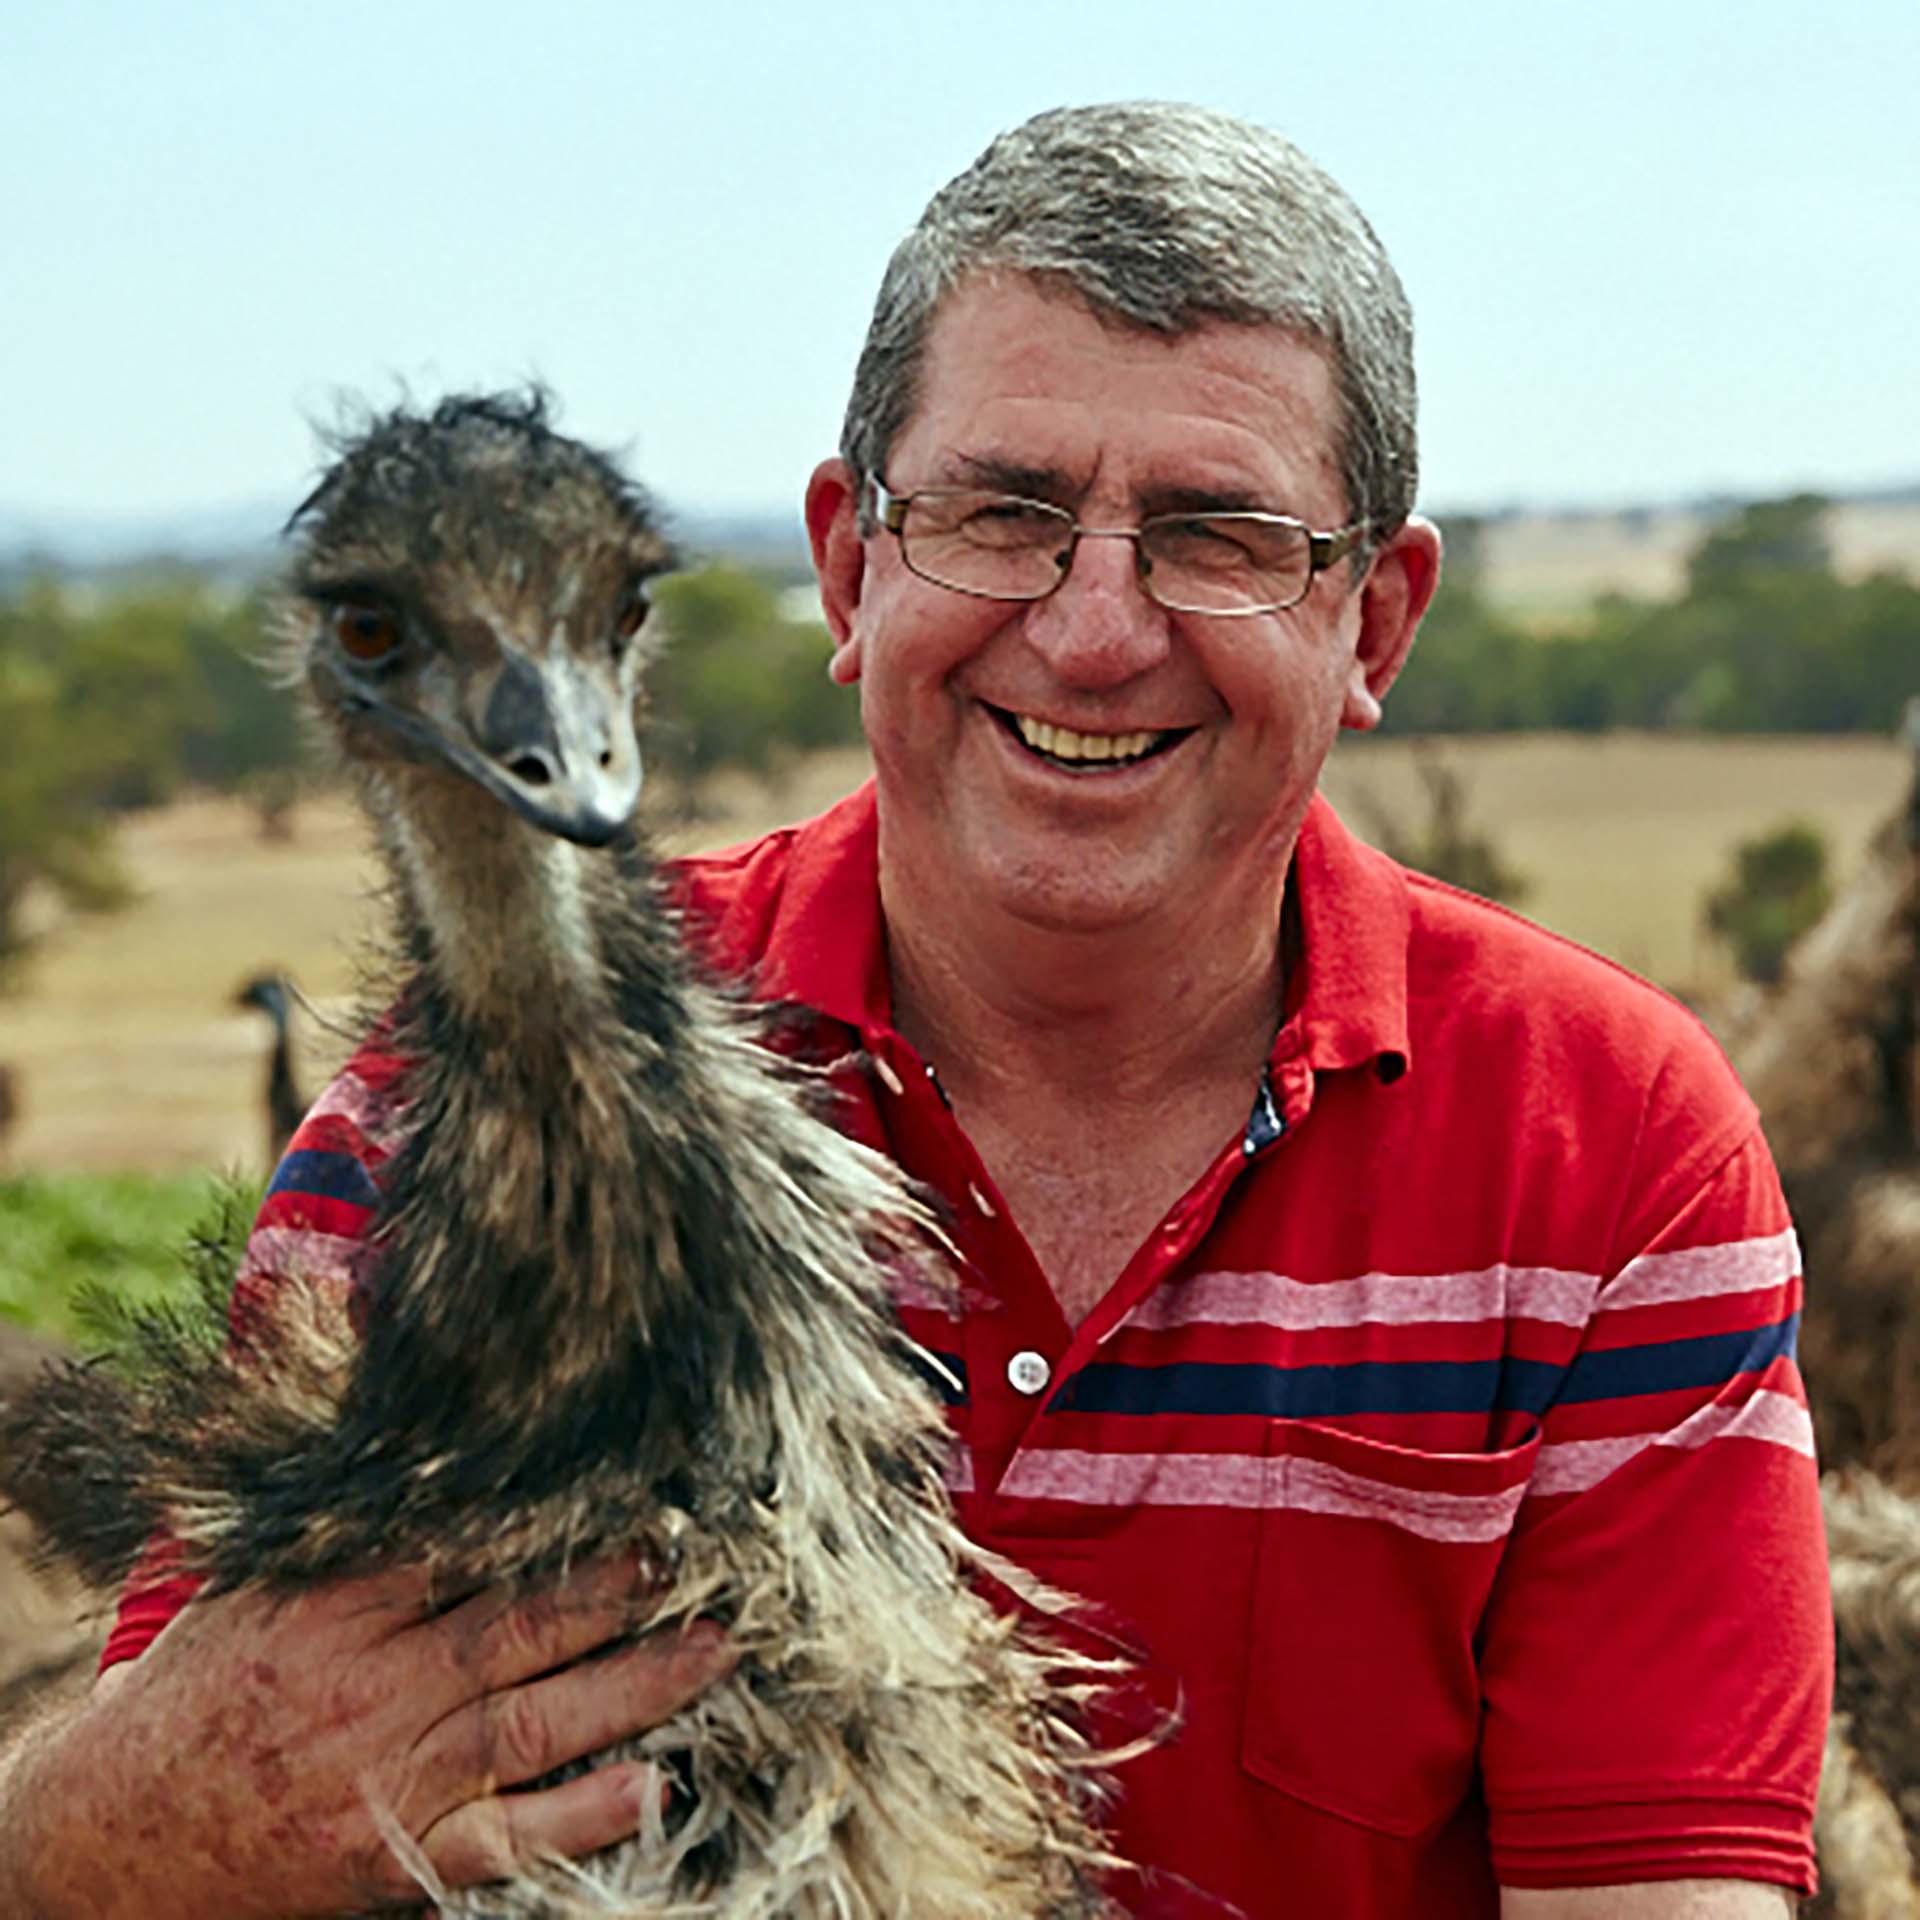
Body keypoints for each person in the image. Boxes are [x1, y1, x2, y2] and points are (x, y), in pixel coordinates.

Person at [0, 102, 1829, 1918]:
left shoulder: (1602, 1146)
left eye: (1218, 535)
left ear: (1375, 619)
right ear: (850, 564)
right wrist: (141, 1818)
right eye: (1002, 512)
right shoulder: (436, 1129)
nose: (1096, 629)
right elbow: (177, 1806)